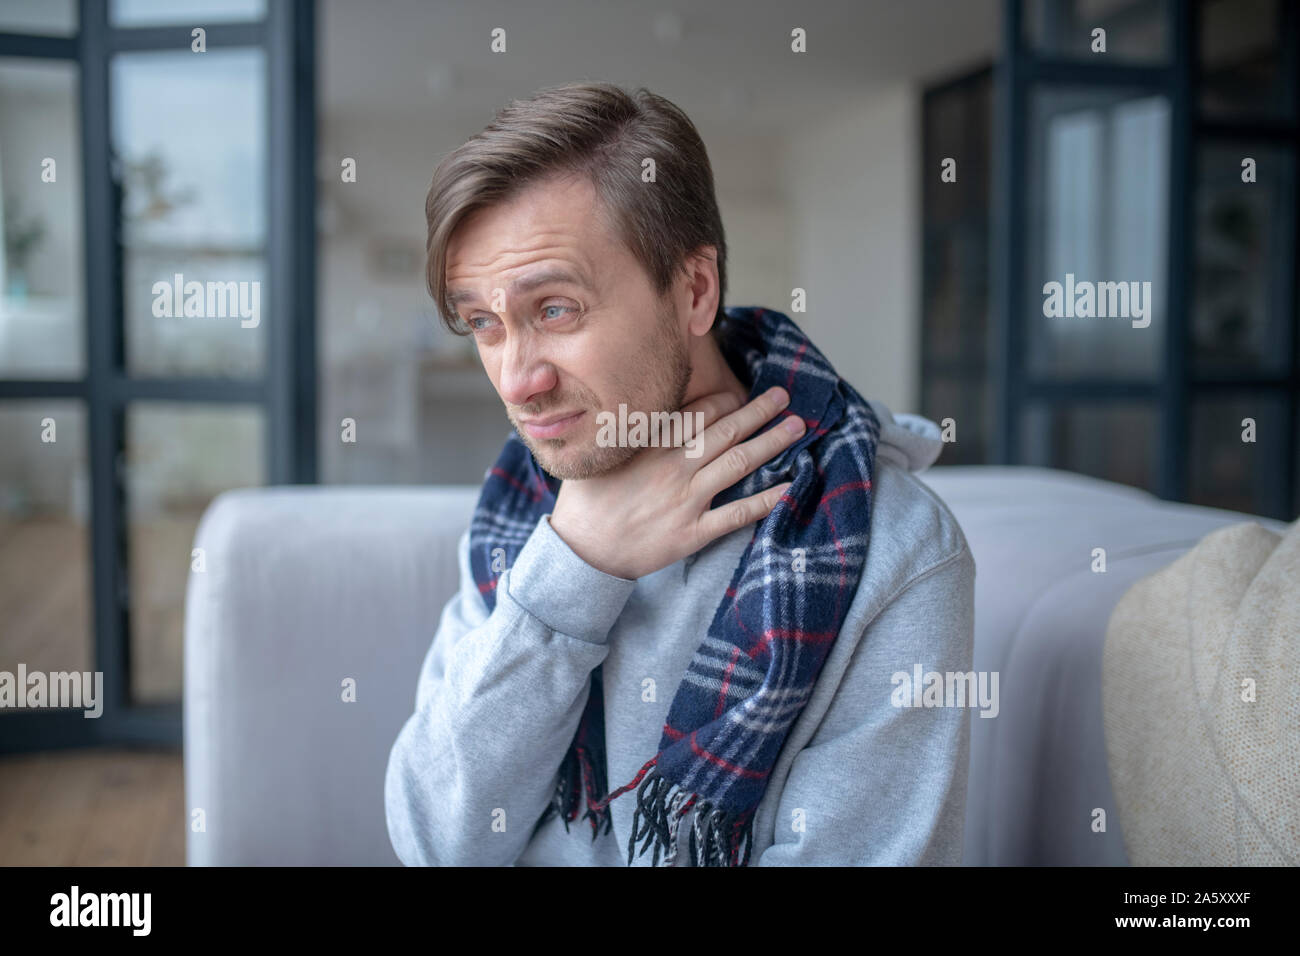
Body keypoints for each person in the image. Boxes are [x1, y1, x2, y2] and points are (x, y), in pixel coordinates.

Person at [385, 81, 975, 866]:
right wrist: (577, 563)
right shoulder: (525, 508)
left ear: (694, 290)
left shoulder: (890, 550)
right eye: (484, 324)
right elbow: (434, 841)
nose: (516, 379)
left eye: (555, 309)